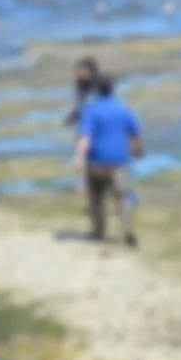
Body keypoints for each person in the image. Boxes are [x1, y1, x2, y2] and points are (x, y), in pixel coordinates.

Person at [73, 75, 143, 246]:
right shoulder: (123, 109)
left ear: (97, 91)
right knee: (123, 197)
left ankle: (99, 232)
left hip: (96, 161)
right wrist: (138, 151)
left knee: (97, 198)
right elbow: (135, 134)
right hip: (119, 161)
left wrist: (80, 157)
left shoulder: (92, 110)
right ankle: (128, 230)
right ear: (112, 89)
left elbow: (85, 137)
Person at [63, 56, 99, 128]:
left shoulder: (98, 87)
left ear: (91, 71)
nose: (80, 74)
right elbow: (77, 106)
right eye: (79, 71)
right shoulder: (80, 86)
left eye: (83, 70)